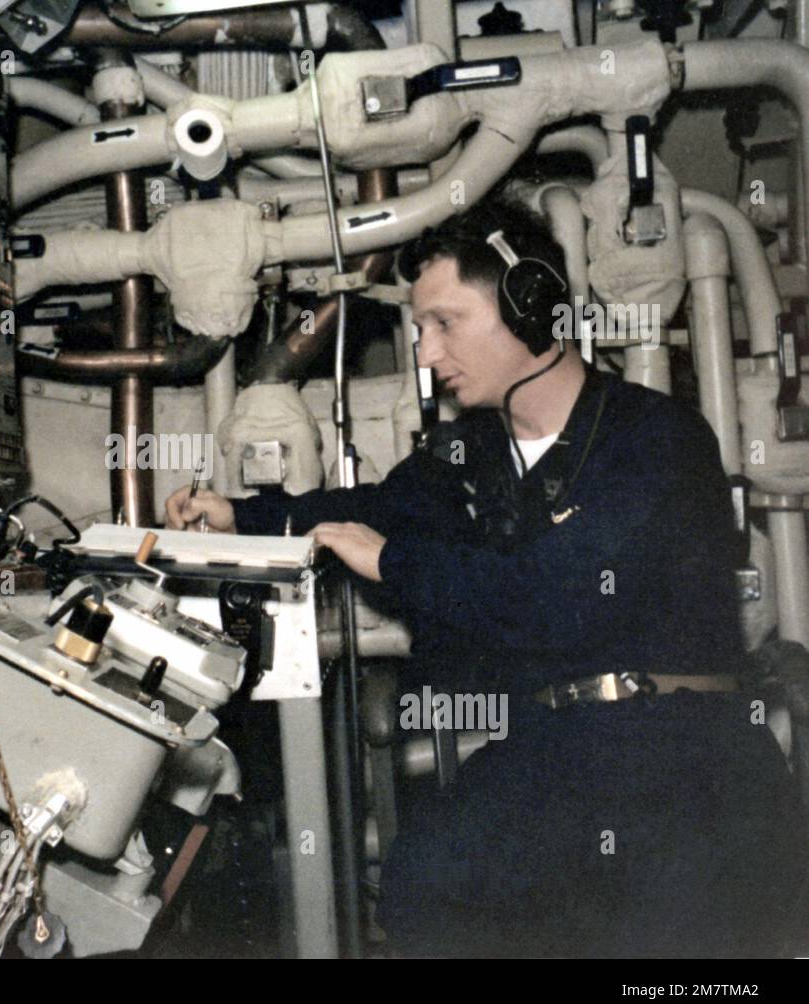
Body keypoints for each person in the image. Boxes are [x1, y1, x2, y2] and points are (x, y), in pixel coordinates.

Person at [164, 200, 808, 957]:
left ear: (529, 306)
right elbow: (373, 507)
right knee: (424, 882)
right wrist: (241, 516)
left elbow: (559, 595)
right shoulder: (470, 455)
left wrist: (394, 561)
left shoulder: (656, 439)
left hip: (685, 758)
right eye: (420, 329)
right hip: (558, 747)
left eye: (446, 323)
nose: (428, 353)